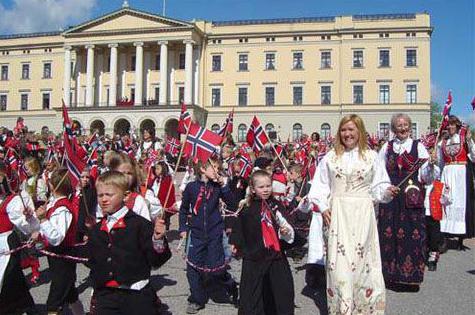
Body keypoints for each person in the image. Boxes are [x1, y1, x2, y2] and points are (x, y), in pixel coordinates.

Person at [309, 114, 397, 314]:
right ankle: (343, 308)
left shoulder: (371, 156)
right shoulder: (330, 157)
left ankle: (365, 309)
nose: (347, 134)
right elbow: (319, 187)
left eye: (351, 129)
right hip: (338, 214)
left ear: (359, 132)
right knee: (338, 264)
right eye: (343, 130)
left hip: (362, 214)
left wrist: (387, 192)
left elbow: (379, 186)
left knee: (362, 263)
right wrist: (323, 208)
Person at [86, 171, 171, 314]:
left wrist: (157, 239)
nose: (104, 199)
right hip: (106, 296)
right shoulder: (96, 229)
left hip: (136, 295)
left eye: (109, 195)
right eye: (100, 195)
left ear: (126, 196)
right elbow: (93, 261)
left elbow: (156, 261)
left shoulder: (140, 225)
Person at [377, 113, 435, 291]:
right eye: (398, 125)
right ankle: (389, 275)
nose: (402, 128)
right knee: (388, 234)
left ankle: (409, 277)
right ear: (393, 129)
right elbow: (379, 172)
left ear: (410, 128)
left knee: (411, 234)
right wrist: (386, 188)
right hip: (391, 197)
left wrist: (431, 166)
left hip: (411, 197)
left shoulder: (419, 147)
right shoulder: (387, 147)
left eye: (405, 125)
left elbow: (426, 177)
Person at [229, 170, 295, 315]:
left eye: (268, 186)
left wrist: (285, 232)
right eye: (261, 187)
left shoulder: (276, 205)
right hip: (254, 257)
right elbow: (240, 227)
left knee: (282, 292)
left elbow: (287, 225)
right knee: (253, 296)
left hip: (275, 256)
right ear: (253, 189)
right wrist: (235, 242)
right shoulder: (247, 207)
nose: (265, 189)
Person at [179, 157, 238, 314]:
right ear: (203, 169)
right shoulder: (191, 187)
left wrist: (224, 186)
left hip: (214, 233)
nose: (217, 171)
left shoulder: (218, 187)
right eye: (214, 168)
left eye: (218, 169)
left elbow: (232, 204)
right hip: (196, 233)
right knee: (193, 267)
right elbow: (184, 209)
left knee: (216, 268)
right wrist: (182, 227)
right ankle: (196, 299)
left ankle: (230, 285)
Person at [35, 168, 85, 315]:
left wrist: (43, 219)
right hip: (55, 256)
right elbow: (46, 229)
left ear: (52, 185)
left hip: (62, 256)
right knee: (70, 294)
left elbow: (57, 238)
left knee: (54, 301)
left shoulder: (62, 208)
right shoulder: (53, 204)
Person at [0, 162, 39, 315]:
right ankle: (26, 305)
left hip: (6, 245)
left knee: (7, 279)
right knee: (14, 280)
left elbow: (27, 226)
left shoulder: (11, 201)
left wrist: (29, 218)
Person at [437, 115, 475, 249]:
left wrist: (470, 141)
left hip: (460, 173)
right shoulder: (442, 142)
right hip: (447, 172)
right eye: (449, 125)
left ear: (457, 126)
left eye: (453, 124)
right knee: (446, 202)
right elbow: (440, 162)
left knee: (460, 202)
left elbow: (474, 156)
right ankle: (445, 236)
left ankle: (460, 238)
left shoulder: (464, 139)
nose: (450, 127)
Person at [108, 153, 151, 221]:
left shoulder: (138, 200)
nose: (125, 177)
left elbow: (146, 225)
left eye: (129, 173)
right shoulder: (105, 196)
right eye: (121, 173)